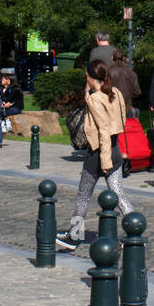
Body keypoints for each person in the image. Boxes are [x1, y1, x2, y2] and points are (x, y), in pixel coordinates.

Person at [55, 60, 132, 251]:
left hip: (98, 153)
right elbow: (120, 120)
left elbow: (103, 130)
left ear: (90, 77)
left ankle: (74, 236)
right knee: (119, 195)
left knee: (83, 196)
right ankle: (134, 232)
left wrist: (104, 161)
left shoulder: (96, 100)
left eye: (86, 76)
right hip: (114, 149)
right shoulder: (115, 93)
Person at [107, 49, 141, 120]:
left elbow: (104, 90)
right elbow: (137, 92)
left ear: (112, 57)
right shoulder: (131, 73)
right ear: (123, 58)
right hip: (127, 107)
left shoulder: (108, 72)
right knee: (127, 129)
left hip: (112, 106)